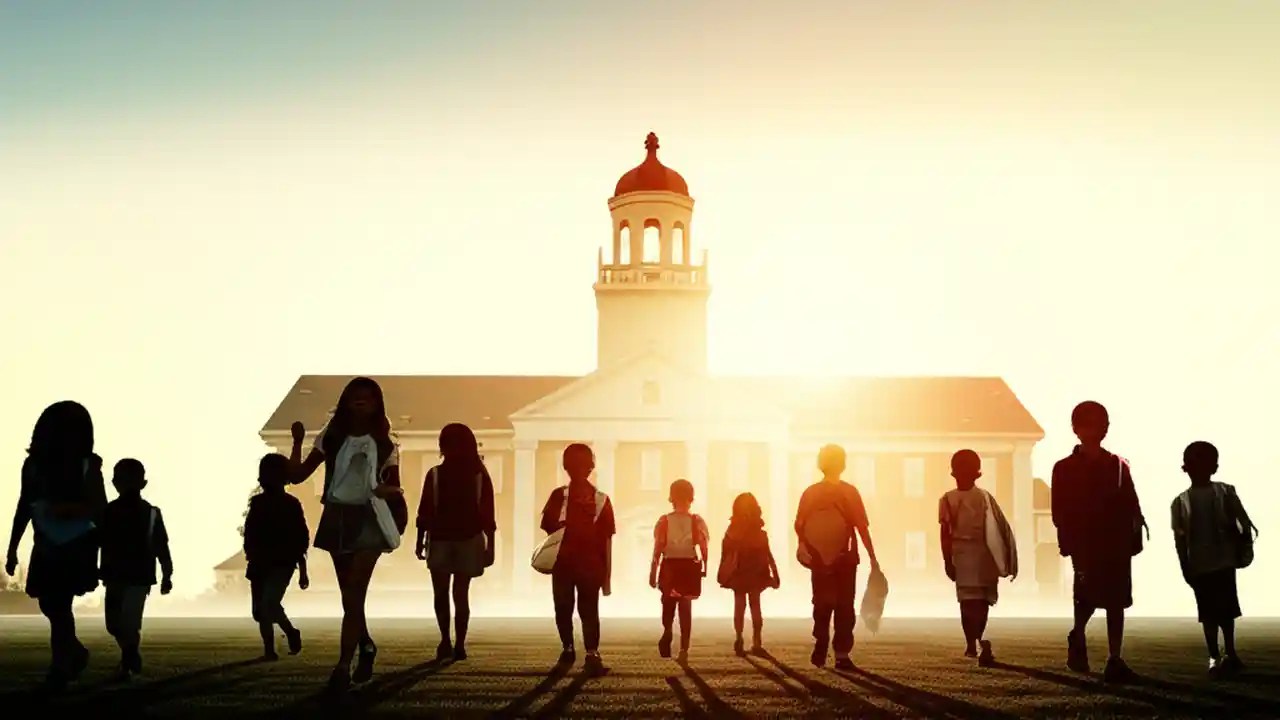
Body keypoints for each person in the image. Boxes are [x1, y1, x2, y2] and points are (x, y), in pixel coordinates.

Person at [288, 376, 408, 692]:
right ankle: (366, 645)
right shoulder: (333, 436)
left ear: (376, 403)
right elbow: (298, 476)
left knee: (355, 590)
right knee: (350, 598)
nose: (360, 400)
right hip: (338, 517)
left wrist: (386, 492)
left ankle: (343, 665)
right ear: (346, 400)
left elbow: (395, 487)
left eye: (367, 396)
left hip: (369, 516)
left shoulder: (385, 442)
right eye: (355, 395)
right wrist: (298, 441)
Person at [5, 401, 108, 690]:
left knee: (58, 604)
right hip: (48, 541)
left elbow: (100, 509)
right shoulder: (34, 465)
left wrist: (69, 510)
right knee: (51, 604)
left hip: (77, 543)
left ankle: (61, 665)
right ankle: (71, 653)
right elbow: (23, 505)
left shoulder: (87, 466)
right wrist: (13, 547)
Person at [1051, 400, 1145, 683]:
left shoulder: (1118, 465)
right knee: (1086, 597)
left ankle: (1114, 658)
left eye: (1101, 423)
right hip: (1084, 541)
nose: (1096, 429)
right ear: (1076, 429)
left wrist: (1135, 534)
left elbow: (1132, 504)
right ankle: (1078, 634)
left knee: (1116, 601)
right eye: (1089, 423)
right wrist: (1065, 537)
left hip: (1115, 540)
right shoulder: (1064, 468)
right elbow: (1059, 507)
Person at [1171, 441, 1256, 678]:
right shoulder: (1180, 502)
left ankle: (1228, 653)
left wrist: (1240, 538)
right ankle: (1216, 655)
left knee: (1225, 611)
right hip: (1201, 563)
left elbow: (1243, 522)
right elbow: (1179, 539)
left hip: (1222, 561)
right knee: (1209, 612)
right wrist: (1185, 566)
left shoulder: (1226, 492)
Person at [416, 423, 496, 662]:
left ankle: (447, 640)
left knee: (442, 594)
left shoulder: (435, 474)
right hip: (467, 539)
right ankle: (457, 643)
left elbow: (425, 511)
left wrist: (419, 541)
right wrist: (490, 545)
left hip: (442, 539)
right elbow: (488, 515)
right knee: (460, 594)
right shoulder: (479, 475)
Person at [795, 444, 878, 670]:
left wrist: (802, 546)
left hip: (818, 556)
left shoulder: (810, 492)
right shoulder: (850, 492)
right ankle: (841, 653)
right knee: (844, 604)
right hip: (845, 556)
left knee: (821, 603)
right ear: (842, 464)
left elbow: (800, 526)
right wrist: (872, 556)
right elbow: (861, 527)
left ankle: (821, 641)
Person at [539, 443, 615, 677]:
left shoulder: (559, 496)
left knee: (564, 607)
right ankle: (591, 652)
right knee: (588, 609)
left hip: (566, 562)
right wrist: (607, 575)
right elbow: (607, 541)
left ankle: (569, 648)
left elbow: (547, 528)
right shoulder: (601, 499)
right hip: (588, 564)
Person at [938, 450, 1017, 667]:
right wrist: (947, 560)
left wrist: (948, 559)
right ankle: (974, 642)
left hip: (980, 554)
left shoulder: (981, 498)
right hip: (967, 554)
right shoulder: (950, 499)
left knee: (976, 601)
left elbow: (996, 529)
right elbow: (945, 533)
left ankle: (975, 642)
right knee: (971, 601)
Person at [100, 458, 173, 680]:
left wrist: (167, 574)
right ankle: (130, 653)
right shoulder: (109, 511)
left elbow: (161, 545)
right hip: (119, 575)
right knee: (116, 624)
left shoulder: (150, 513)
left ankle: (128, 659)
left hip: (135, 576)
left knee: (127, 622)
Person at [243, 453, 310, 661]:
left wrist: (302, 569)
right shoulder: (257, 503)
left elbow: (301, 538)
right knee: (260, 610)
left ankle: (277, 644)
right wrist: (250, 555)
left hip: (282, 562)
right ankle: (277, 642)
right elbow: (250, 532)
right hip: (259, 562)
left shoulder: (291, 505)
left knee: (268, 604)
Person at [649, 479, 709, 662]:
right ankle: (684, 649)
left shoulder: (664, 521)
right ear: (691, 498)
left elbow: (658, 546)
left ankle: (667, 630)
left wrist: (653, 569)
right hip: (689, 565)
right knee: (685, 607)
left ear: (672, 498)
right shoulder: (696, 521)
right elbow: (704, 546)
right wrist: (705, 566)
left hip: (669, 565)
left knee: (668, 603)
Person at [717, 492, 780, 657]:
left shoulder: (732, 531)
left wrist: (723, 571)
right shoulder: (759, 532)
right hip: (757, 572)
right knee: (755, 606)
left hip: (738, 572)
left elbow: (725, 553)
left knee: (739, 606)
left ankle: (739, 638)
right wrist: (775, 573)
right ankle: (757, 641)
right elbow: (768, 553)